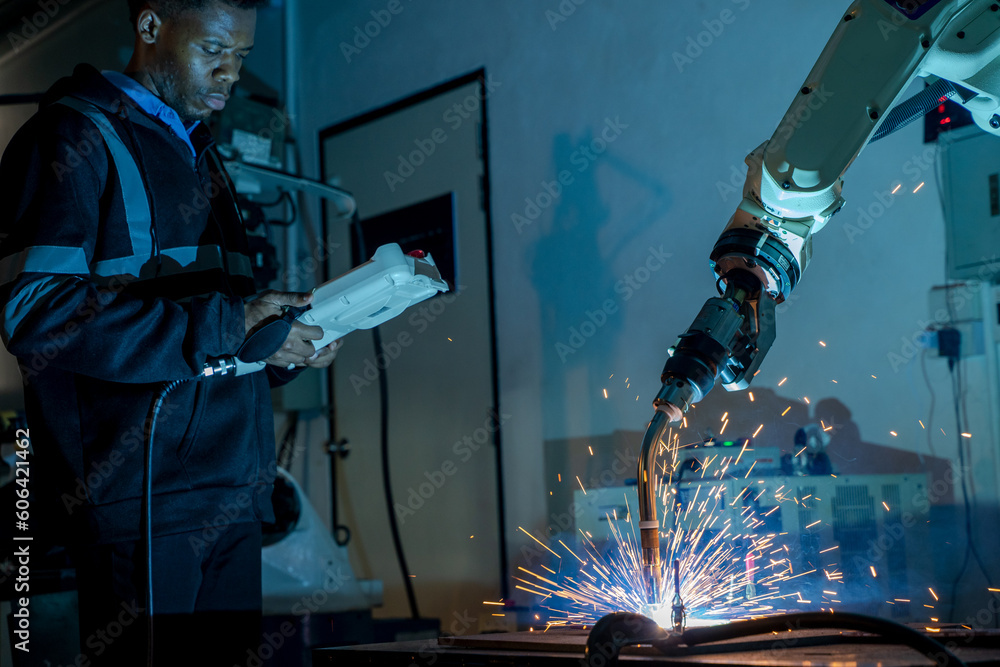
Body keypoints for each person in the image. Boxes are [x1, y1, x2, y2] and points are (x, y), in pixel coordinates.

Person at [0, 0, 336, 662]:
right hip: (143, 499)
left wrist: (277, 346)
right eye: (213, 50)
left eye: (240, 56)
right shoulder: (71, 140)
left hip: (234, 491)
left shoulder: (203, 158)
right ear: (151, 28)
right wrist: (228, 323)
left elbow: (221, 334)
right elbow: (36, 312)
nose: (230, 74)